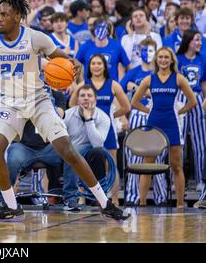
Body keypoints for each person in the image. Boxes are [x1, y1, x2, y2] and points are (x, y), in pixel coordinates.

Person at [0, 0, 129, 221]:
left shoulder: (36, 38)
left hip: (38, 100)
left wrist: (73, 62)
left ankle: (105, 203)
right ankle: (11, 205)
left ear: (18, 16)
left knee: (67, 149)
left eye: (5, 14)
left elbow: (61, 58)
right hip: (10, 102)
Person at [131, 47, 197, 208]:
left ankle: (180, 204)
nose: (163, 60)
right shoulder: (149, 79)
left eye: (166, 57)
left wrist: (179, 112)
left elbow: (193, 101)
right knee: (148, 165)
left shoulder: (179, 79)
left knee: (176, 166)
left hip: (172, 125)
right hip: (153, 124)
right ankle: (142, 203)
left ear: (172, 60)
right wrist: (149, 111)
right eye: (160, 57)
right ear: (156, 60)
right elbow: (134, 102)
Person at [70, 54, 130, 205]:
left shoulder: (113, 84)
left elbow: (126, 107)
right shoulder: (83, 83)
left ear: (104, 66)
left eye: (99, 63)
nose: (96, 66)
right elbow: (71, 104)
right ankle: (82, 196)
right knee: (83, 164)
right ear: (89, 67)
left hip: (106, 129)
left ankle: (114, 199)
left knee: (111, 165)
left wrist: (110, 115)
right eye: (93, 63)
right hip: (86, 129)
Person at [120, 38, 161, 205]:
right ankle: (132, 196)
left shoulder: (161, 72)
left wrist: (143, 90)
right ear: (139, 52)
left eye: (151, 50)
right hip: (138, 113)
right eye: (145, 50)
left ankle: (161, 197)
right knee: (134, 156)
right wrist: (137, 88)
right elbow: (121, 86)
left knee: (158, 157)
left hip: (157, 114)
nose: (148, 54)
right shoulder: (134, 71)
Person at [63, 84, 115, 209]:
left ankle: (98, 196)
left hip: (91, 151)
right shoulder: (67, 115)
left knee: (99, 152)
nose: (86, 98)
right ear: (77, 99)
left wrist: (89, 119)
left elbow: (97, 144)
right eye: (82, 96)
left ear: (95, 99)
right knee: (71, 153)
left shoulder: (103, 117)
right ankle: (70, 198)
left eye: (89, 95)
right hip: (70, 150)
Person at [176, 30, 206, 192]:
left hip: (198, 99)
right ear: (188, 41)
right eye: (197, 40)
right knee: (179, 143)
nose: (200, 43)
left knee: (200, 144)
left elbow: (204, 84)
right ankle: (177, 179)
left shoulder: (203, 59)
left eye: (200, 40)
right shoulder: (178, 59)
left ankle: (201, 180)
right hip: (181, 99)